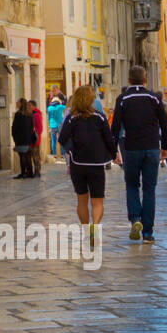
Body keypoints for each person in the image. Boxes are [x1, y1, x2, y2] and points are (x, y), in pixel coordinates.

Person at [110, 66, 167, 243]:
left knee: (131, 185)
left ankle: (135, 218)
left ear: (128, 80)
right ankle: (148, 232)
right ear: (145, 80)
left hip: (131, 148)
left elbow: (115, 127)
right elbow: (165, 123)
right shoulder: (154, 98)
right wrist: (165, 146)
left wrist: (113, 149)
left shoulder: (123, 99)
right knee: (149, 189)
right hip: (152, 148)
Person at [57, 86, 118, 248]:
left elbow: (62, 139)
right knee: (97, 202)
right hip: (96, 164)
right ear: (91, 99)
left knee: (82, 200)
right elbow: (108, 138)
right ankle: (95, 227)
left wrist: (71, 149)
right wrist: (114, 155)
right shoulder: (99, 117)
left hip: (78, 164)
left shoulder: (71, 118)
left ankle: (86, 230)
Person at [11, 98, 37, 178]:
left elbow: (15, 128)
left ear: (21, 104)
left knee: (22, 156)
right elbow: (32, 127)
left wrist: (14, 137)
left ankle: (23, 173)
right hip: (28, 139)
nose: (16, 103)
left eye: (18, 102)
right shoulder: (29, 114)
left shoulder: (18, 114)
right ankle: (30, 172)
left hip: (20, 139)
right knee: (27, 156)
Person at [29, 99, 45, 177]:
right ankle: (35, 171)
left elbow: (40, 128)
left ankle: (37, 172)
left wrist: (36, 136)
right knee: (33, 156)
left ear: (33, 106)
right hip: (31, 138)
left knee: (36, 156)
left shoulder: (36, 114)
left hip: (35, 139)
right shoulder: (31, 114)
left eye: (30, 105)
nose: (28, 107)